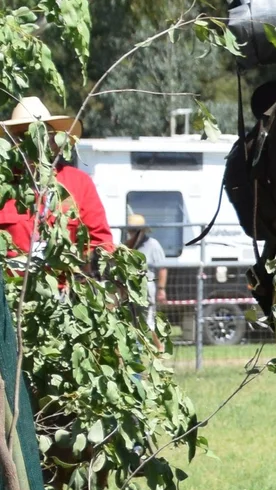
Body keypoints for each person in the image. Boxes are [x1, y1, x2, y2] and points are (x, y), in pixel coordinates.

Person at [0, 95, 113, 255]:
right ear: (11, 143)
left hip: (62, 279)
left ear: (52, 140)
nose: (31, 143)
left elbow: (100, 241)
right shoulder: (3, 183)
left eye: (38, 134)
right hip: (12, 280)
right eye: (22, 136)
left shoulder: (78, 183)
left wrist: (97, 258)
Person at [123, 211, 169, 329]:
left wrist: (161, 289)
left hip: (147, 290)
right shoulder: (126, 246)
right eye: (131, 230)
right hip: (128, 291)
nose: (131, 233)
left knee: (147, 324)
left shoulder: (153, 245)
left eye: (135, 230)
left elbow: (162, 268)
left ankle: (154, 347)